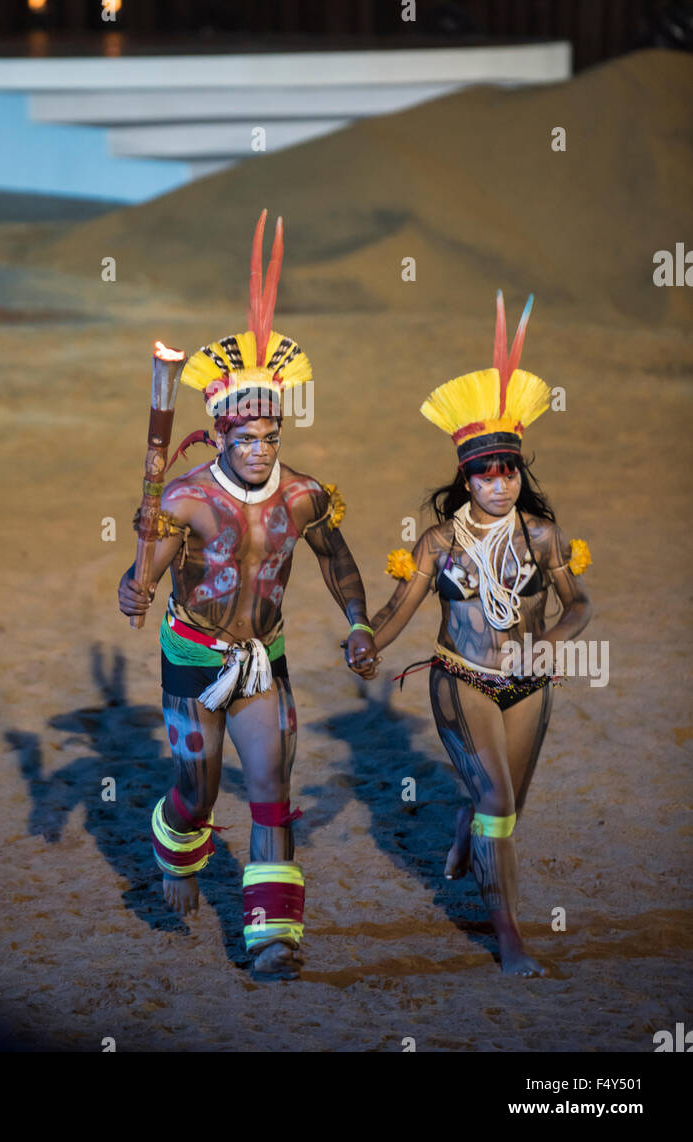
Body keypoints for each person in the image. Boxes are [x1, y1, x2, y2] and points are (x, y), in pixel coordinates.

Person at [118, 210, 377, 979]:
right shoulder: (189, 498)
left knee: (270, 788)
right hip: (192, 658)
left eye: (272, 438)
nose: (261, 451)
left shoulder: (303, 496)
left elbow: (336, 560)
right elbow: (144, 577)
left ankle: (272, 936)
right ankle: (177, 844)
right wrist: (134, 585)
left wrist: (360, 620)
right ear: (220, 434)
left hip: (264, 659)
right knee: (197, 794)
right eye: (246, 439)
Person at [363, 292, 592, 976]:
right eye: (485, 471)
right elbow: (398, 609)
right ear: (464, 477)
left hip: (527, 683)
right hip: (460, 681)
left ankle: (468, 823)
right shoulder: (438, 541)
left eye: (509, 469)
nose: (499, 482)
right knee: (496, 799)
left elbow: (577, 601)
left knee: (505, 808)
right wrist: (364, 639)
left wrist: (552, 639)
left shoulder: (543, 535)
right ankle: (510, 938)